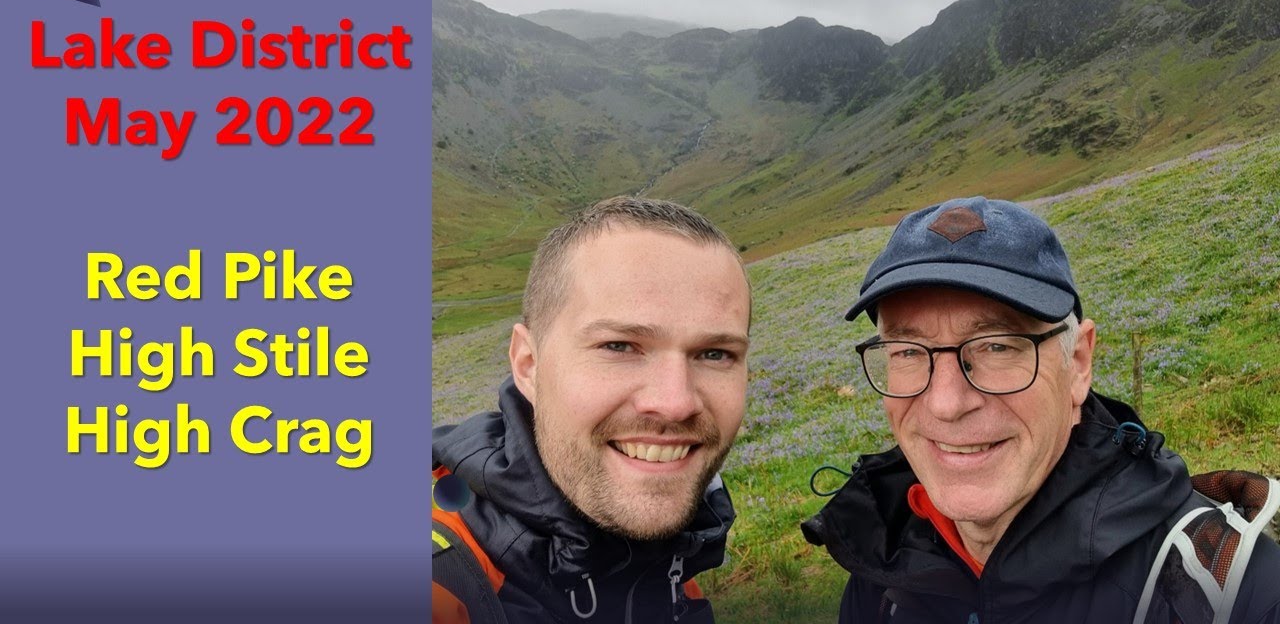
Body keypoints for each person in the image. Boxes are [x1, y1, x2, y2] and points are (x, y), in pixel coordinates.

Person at [802, 196, 1280, 623]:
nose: (946, 404)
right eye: (907, 350)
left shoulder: (1230, 592)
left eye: (996, 347)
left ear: (1077, 364)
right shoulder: (882, 569)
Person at [432, 196, 752, 624]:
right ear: (528, 365)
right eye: (618, 346)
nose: (675, 403)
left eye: (715, 353)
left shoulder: (669, 561)